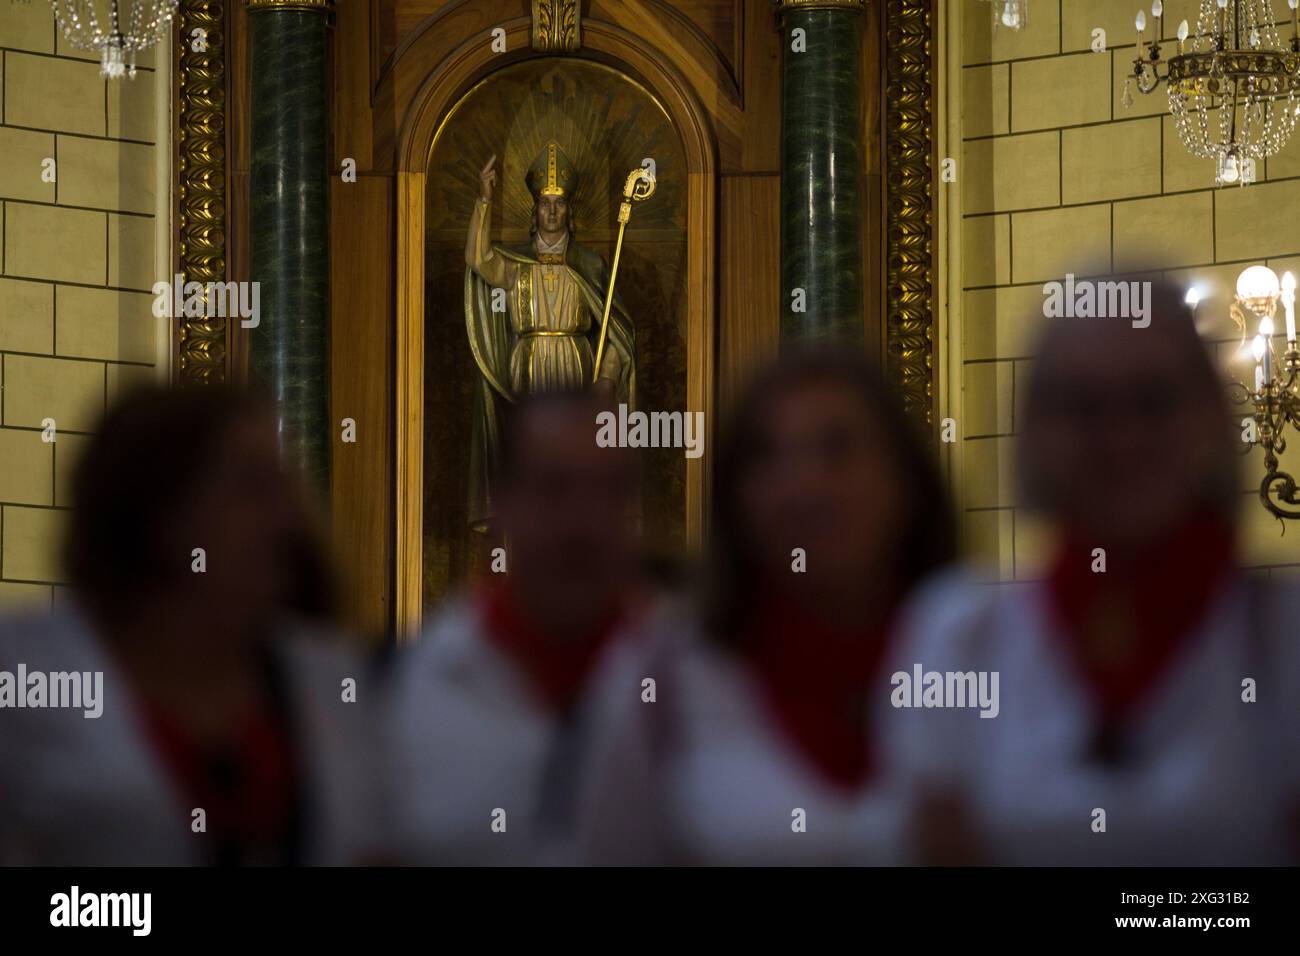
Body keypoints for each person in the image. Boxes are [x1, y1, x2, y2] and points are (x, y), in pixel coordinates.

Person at [896, 281, 1300, 865]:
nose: (1121, 438)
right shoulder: (958, 637)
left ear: (1212, 418)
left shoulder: (1284, 635)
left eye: (1153, 400)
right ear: (1034, 432)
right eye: (1084, 406)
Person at [0, 387, 381, 866]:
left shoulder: (330, 678)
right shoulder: (24, 675)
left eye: (285, 487)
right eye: (251, 489)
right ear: (159, 515)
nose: (286, 520)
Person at [623, 350, 956, 865]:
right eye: (767, 456)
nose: (804, 487)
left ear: (905, 479)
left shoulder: (989, 649)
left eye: (836, 448)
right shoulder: (662, 678)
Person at [385, 390, 658, 865]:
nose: (582, 523)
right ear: (502, 502)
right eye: (554, 488)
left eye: (608, 491)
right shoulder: (412, 686)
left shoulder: (693, 680)